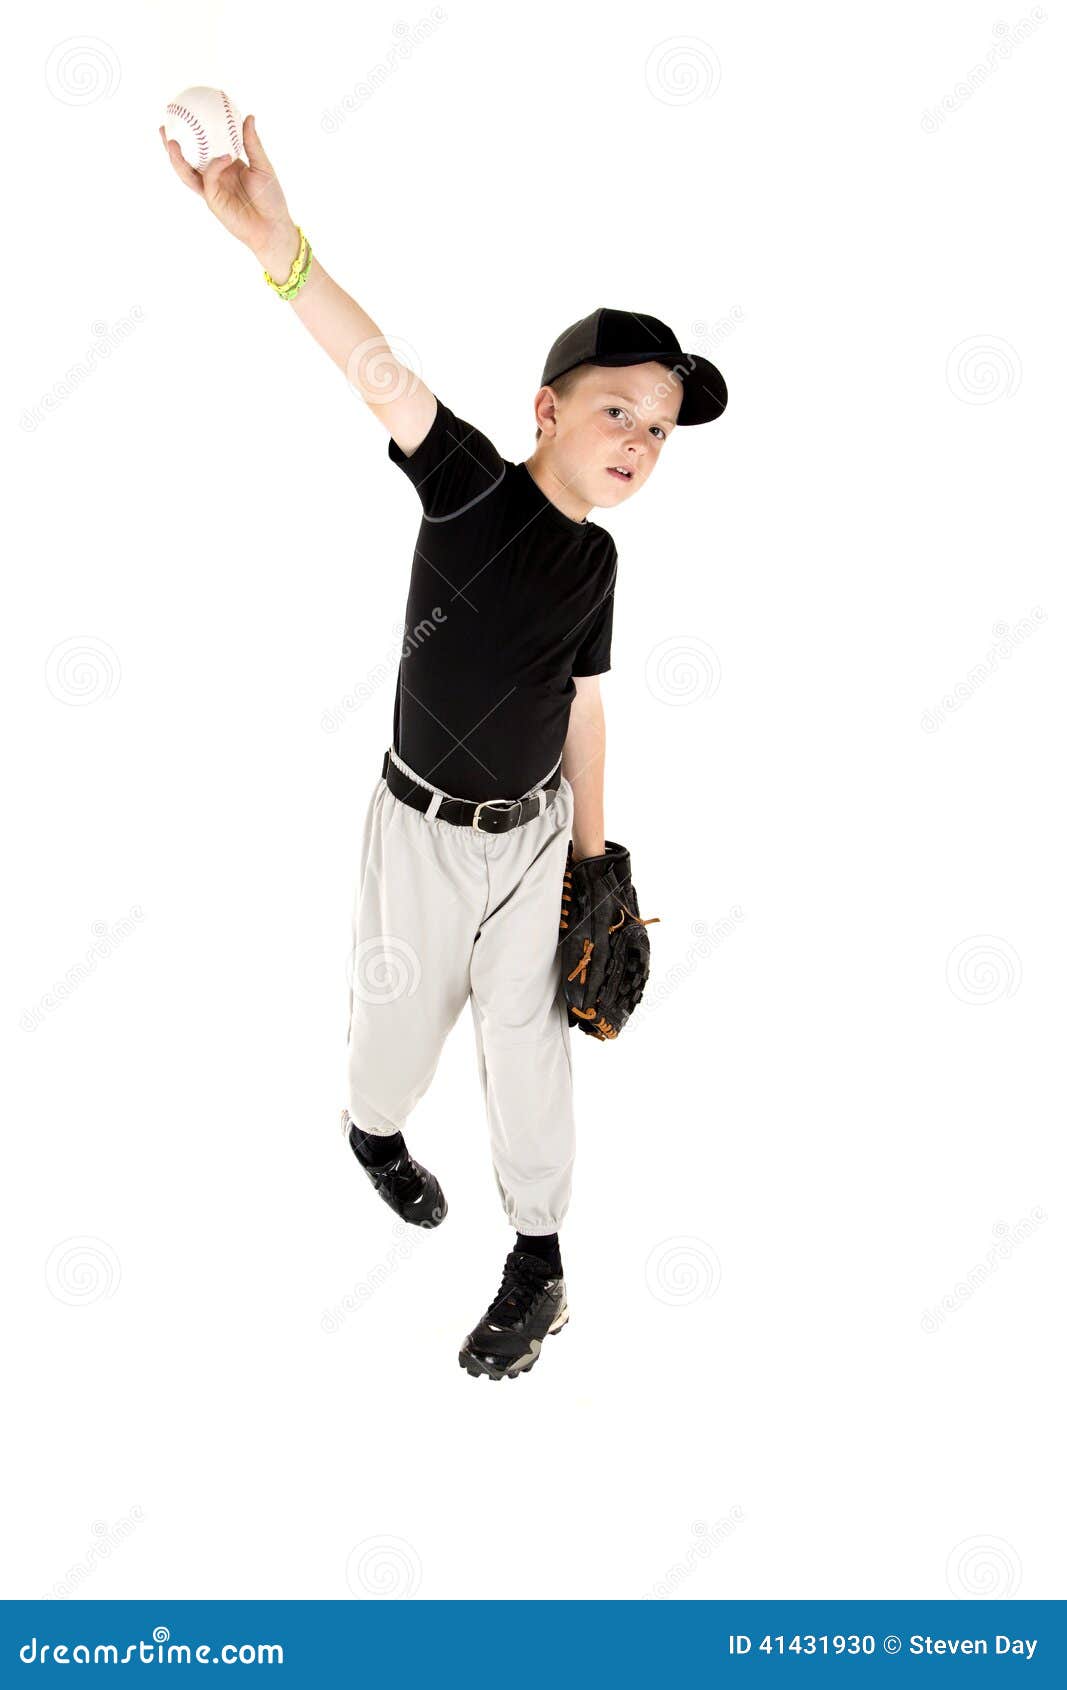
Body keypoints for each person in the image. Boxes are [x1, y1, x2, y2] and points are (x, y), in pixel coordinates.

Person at [160, 112, 727, 1381]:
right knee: (393, 1041)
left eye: (658, 431)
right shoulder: (471, 482)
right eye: (618, 410)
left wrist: (595, 857)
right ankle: (371, 1133)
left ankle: (538, 1261)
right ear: (547, 408)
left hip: (529, 846)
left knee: (528, 1050)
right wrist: (281, 251)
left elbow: (582, 705)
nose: (638, 442)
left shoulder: (598, 561)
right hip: (419, 833)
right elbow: (374, 369)